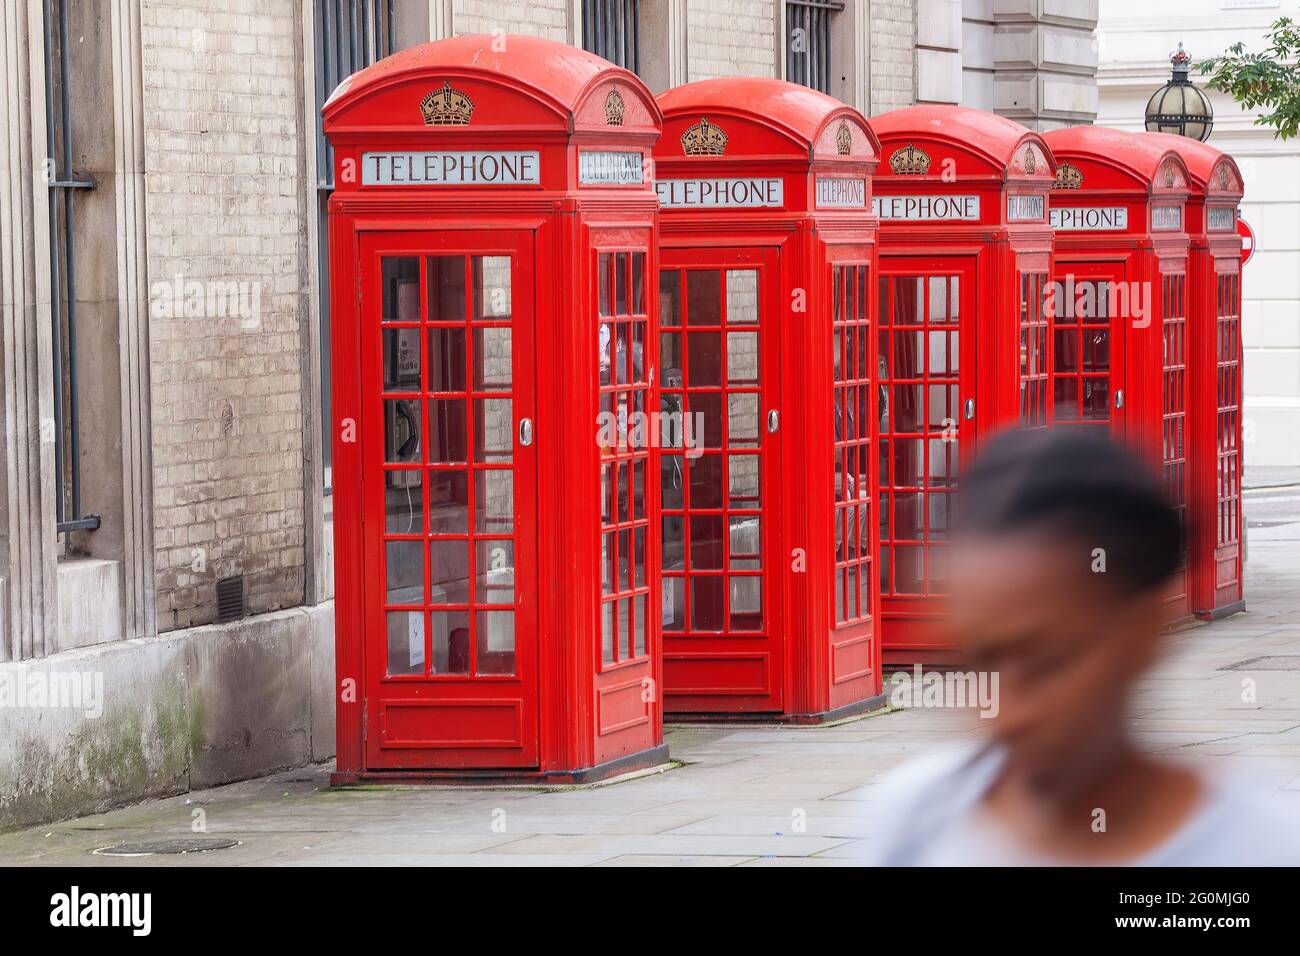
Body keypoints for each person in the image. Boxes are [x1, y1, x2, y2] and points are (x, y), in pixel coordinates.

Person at [870, 428, 1300, 866]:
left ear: (1143, 630)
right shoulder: (912, 822)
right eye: (974, 664)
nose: (1004, 712)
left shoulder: (1268, 850)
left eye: (1046, 664)